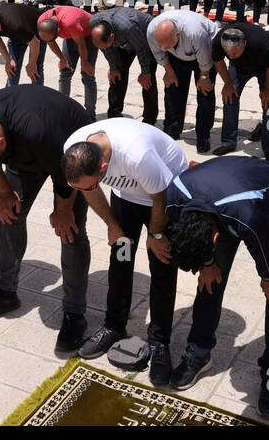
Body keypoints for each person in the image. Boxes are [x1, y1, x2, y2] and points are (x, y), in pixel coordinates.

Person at [0, 85, 93, 349]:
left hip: (69, 153)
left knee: (70, 231)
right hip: (25, 157)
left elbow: (66, 177)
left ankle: (75, 314)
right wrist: (5, 192)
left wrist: (62, 211)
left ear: (2, 143)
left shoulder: (38, 130)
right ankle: (5, 293)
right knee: (8, 215)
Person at [164, 156, 269, 419]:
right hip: (219, 195)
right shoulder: (175, 196)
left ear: (215, 236)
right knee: (209, 280)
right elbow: (187, 241)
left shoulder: (247, 215)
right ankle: (198, 353)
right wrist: (207, 264)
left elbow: (265, 244)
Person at [61, 118, 188, 383]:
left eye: (93, 183)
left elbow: (160, 196)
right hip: (126, 197)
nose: (88, 190)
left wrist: (156, 234)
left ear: (104, 167)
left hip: (166, 194)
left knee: (162, 264)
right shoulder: (74, 149)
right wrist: (112, 225)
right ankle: (113, 326)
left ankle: (159, 342)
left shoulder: (137, 154)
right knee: (120, 258)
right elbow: (89, 189)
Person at [147, 9, 219, 152]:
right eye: (163, 45)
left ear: (177, 35)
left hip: (206, 49)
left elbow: (205, 59)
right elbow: (159, 53)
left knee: (205, 92)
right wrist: (169, 71)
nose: (164, 48)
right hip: (176, 56)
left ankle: (203, 135)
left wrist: (204, 77)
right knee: (173, 88)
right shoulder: (152, 32)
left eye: (168, 45)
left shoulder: (195, 32)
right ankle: (172, 127)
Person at [211, 21, 269, 160]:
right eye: (228, 55)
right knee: (229, 98)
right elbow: (218, 62)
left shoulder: (260, 43)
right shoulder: (219, 41)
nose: (231, 57)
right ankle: (228, 142)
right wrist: (228, 84)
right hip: (239, 68)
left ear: (245, 43)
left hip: (266, 68)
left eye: (235, 53)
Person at [88, 6, 158, 125]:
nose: (103, 49)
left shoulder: (128, 27)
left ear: (112, 37)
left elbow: (142, 49)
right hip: (124, 41)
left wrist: (145, 71)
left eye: (105, 45)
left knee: (147, 81)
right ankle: (114, 114)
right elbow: (106, 48)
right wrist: (113, 67)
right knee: (117, 76)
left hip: (145, 39)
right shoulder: (94, 23)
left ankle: (149, 119)